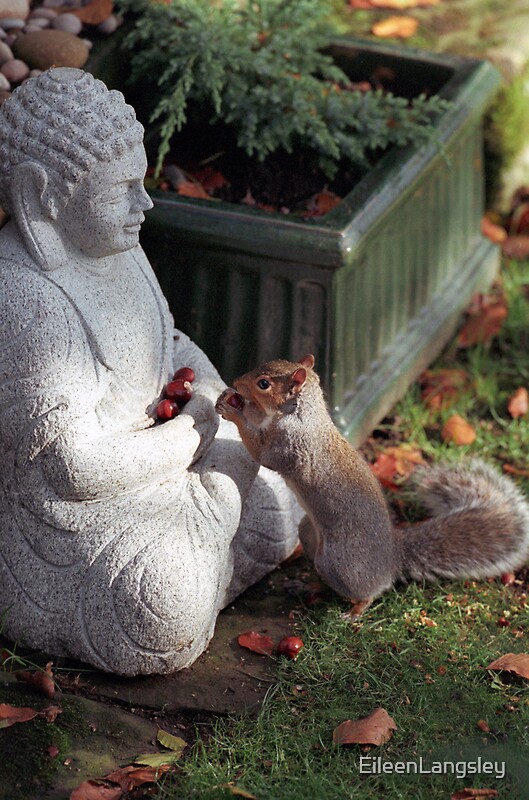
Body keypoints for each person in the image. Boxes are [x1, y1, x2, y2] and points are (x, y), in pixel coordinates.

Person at [0, 67, 300, 675]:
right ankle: (211, 544)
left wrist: (221, 401)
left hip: (167, 457)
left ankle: (216, 527)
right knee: (162, 603)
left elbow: (171, 342)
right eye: (122, 190)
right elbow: (70, 469)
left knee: (292, 482)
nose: (146, 203)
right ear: (42, 198)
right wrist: (198, 433)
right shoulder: (27, 299)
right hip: (69, 516)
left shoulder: (119, 246)